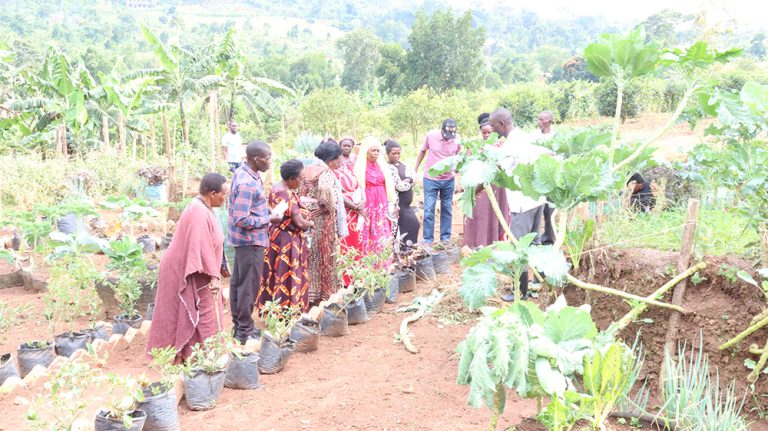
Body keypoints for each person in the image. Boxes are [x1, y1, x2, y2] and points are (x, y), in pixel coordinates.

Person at [147, 173, 229, 363]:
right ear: (212, 193)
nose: (225, 198)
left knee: (202, 309)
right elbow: (200, 247)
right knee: (202, 310)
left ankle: (198, 355)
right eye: (223, 194)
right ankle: (197, 357)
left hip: (195, 266)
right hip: (186, 268)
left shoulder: (205, 208)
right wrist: (214, 277)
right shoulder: (198, 213)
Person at [489, 108, 552, 301]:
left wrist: (488, 155)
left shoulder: (512, 144)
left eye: (493, 127)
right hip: (537, 200)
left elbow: (500, 165)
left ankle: (520, 292)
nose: (492, 131)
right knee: (535, 244)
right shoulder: (524, 137)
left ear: (502, 124)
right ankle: (543, 283)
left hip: (522, 205)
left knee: (519, 248)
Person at [228, 141, 282, 344]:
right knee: (248, 286)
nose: (270, 162)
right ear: (257, 159)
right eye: (268, 158)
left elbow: (250, 207)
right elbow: (241, 219)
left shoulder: (248, 174)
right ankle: (244, 331)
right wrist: (270, 219)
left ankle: (240, 326)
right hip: (250, 242)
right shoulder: (247, 183)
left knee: (240, 284)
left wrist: (266, 211)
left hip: (246, 242)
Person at [256, 160, 314, 312]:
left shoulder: (276, 187)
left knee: (275, 273)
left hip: (276, 237)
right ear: (291, 179)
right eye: (301, 179)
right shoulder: (285, 194)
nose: (302, 182)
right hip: (288, 241)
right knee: (287, 273)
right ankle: (288, 310)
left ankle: (274, 309)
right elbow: (300, 223)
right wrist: (311, 224)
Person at [301, 141, 346, 304]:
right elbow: (326, 195)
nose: (340, 163)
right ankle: (327, 294)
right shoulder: (325, 173)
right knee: (325, 256)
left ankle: (311, 294)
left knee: (311, 257)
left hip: (307, 219)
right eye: (338, 159)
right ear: (332, 159)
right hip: (322, 221)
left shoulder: (307, 169)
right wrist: (327, 206)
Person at [463, 113, 510, 249]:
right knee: (479, 214)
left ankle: (494, 242)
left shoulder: (500, 145)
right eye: (484, 133)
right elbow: (468, 164)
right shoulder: (475, 146)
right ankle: (477, 243)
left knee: (495, 213)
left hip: (496, 186)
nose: (486, 136)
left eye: (489, 133)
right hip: (479, 184)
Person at [414, 119, 462, 244]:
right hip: (431, 179)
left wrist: (457, 169)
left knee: (447, 208)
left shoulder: (457, 140)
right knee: (429, 209)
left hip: (448, 179)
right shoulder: (431, 136)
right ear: (441, 131)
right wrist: (415, 168)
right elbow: (423, 151)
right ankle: (428, 239)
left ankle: (445, 238)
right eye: (446, 136)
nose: (448, 139)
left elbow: (458, 156)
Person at [355, 136, 396, 254]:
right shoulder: (360, 166)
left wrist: (392, 202)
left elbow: (388, 184)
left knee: (382, 225)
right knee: (369, 226)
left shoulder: (382, 165)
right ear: (366, 151)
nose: (376, 153)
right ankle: (369, 256)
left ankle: (383, 257)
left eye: (378, 150)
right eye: (373, 150)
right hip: (369, 199)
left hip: (381, 199)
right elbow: (358, 186)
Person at [385, 139, 420, 250]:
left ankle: (407, 250)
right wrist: (409, 181)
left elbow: (414, 177)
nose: (396, 156)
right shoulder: (388, 168)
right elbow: (399, 186)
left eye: (398, 153)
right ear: (387, 154)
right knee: (412, 225)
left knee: (410, 226)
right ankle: (404, 251)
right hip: (398, 205)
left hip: (406, 205)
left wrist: (409, 180)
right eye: (393, 153)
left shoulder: (403, 165)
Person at [533, 110, 556, 245]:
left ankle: (550, 236)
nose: (539, 122)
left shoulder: (556, 136)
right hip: (538, 177)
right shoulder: (535, 137)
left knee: (550, 210)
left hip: (551, 177)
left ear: (549, 121)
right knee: (536, 208)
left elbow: (558, 155)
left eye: (541, 120)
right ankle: (535, 239)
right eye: (538, 119)